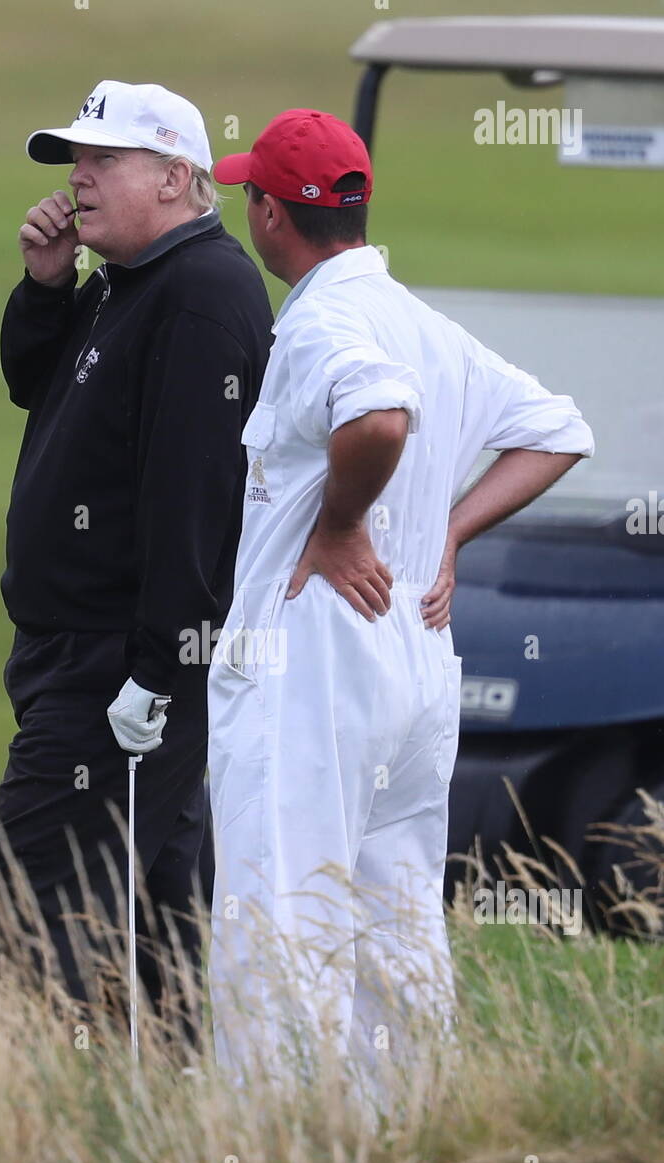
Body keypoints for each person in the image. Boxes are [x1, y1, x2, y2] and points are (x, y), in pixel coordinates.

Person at [208, 109, 594, 1103]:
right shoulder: (423, 323)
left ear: (270, 214)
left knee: (283, 913)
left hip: (313, 660)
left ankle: (274, 1155)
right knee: (394, 921)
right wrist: (446, 534)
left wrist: (340, 523)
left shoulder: (321, 322)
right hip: (415, 659)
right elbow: (556, 430)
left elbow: (378, 416)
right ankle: (401, 1141)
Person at [0, 81, 273, 1041]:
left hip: (118, 667)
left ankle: (12, 1107)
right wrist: (45, 287)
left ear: (174, 177)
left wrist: (157, 672)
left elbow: (193, 499)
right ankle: (174, 1108)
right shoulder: (125, 277)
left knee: (6, 908)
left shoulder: (201, 293)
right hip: (77, 656)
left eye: (103, 160)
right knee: (157, 927)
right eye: (74, 160)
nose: (77, 179)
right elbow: (33, 384)